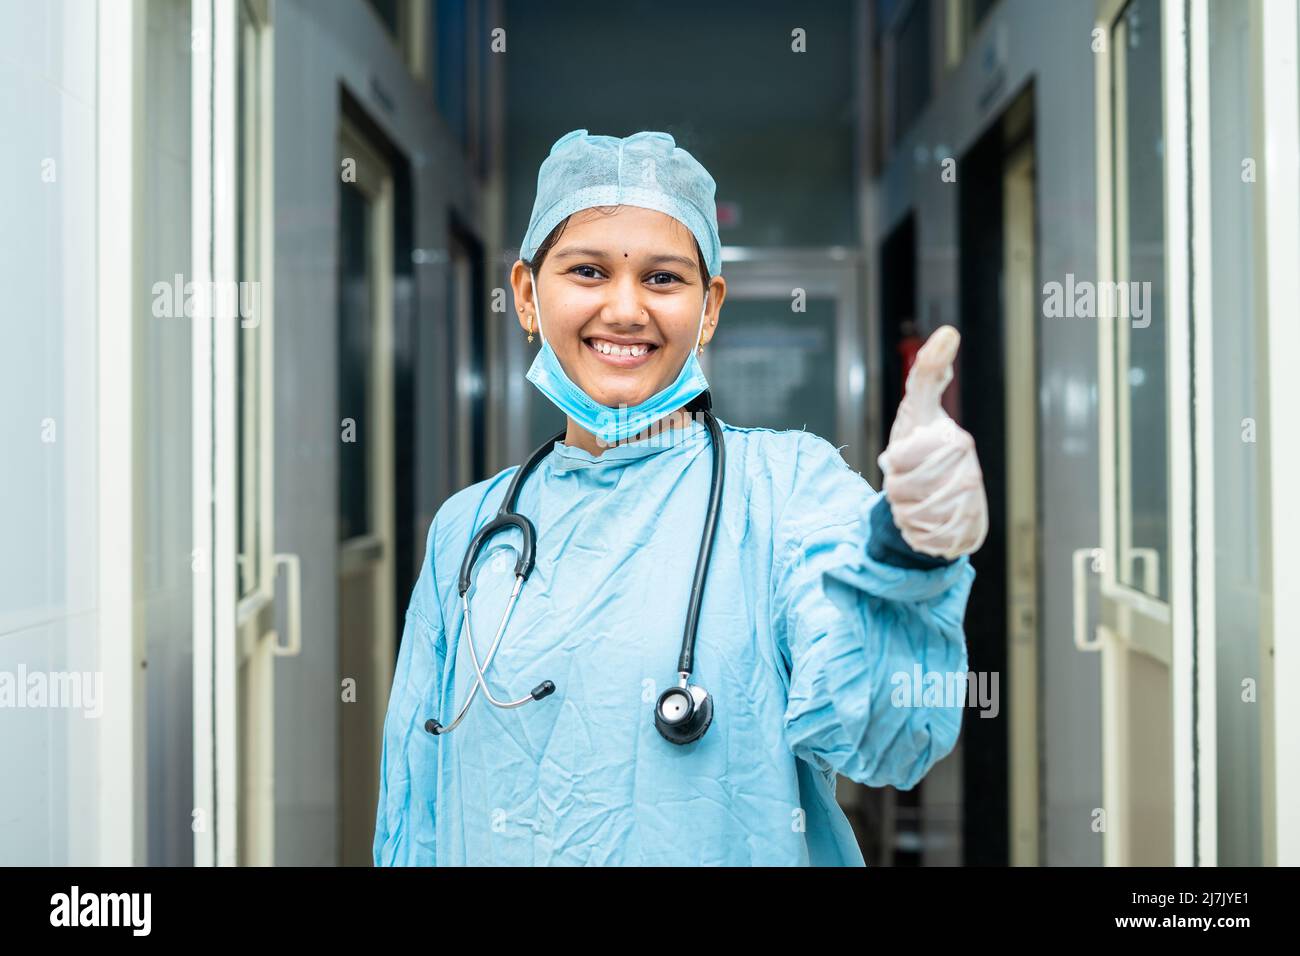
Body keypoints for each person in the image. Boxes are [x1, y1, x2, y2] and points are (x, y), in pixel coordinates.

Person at [373, 129, 989, 866]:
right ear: (528, 297)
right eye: (588, 271)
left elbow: (886, 738)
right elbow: (415, 800)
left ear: (710, 308)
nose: (627, 309)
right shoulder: (467, 532)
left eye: (663, 279)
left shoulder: (789, 489)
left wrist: (906, 554)